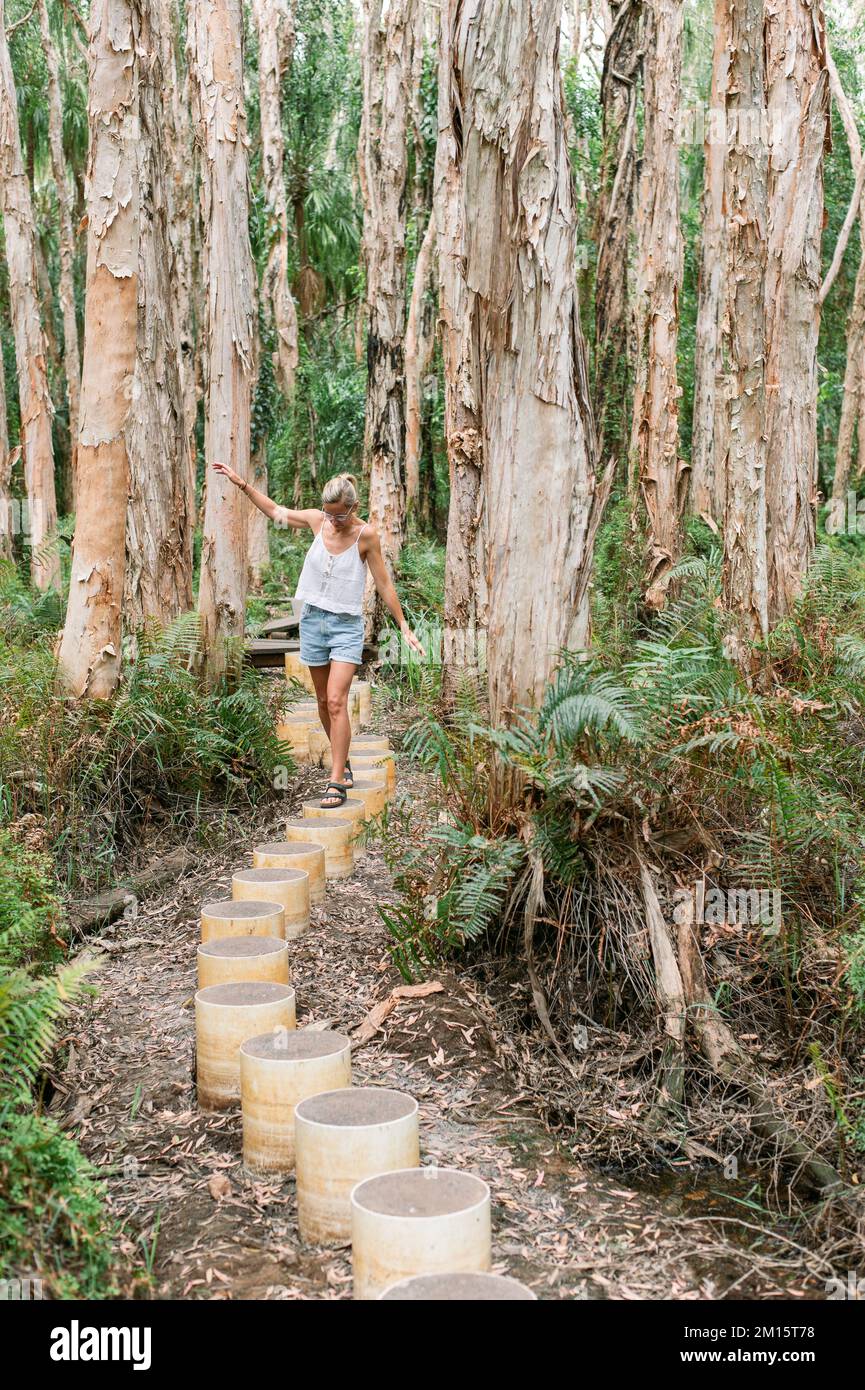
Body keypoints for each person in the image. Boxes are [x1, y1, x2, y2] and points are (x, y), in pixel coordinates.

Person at [212, 463, 425, 807]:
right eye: (328, 514)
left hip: (345, 626)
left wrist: (403, 625)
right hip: (312, 621)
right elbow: (275, 512)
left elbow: (383, 583)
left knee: (338, 699)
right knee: (324, 702)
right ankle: (344, 762)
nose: (332, 521)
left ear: (353, 509)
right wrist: (242, 485)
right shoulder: (316, 520)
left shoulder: (365, 536)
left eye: (339, 516)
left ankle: (336, 780)